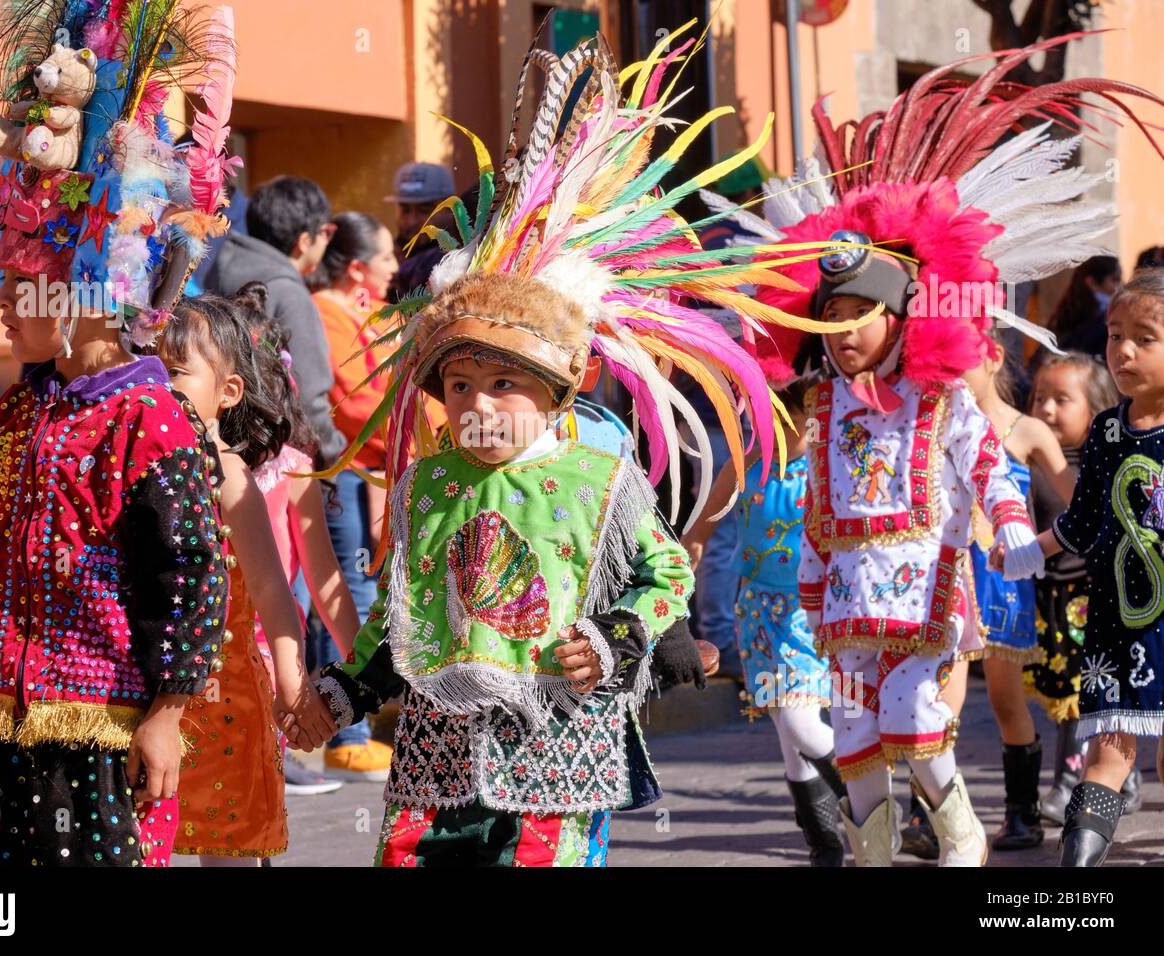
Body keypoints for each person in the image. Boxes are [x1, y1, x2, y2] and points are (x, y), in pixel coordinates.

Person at [300, 27, 822, 865]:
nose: (475, 403)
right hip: (439, 753)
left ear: (556, 393)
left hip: (559, 746)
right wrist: (344, 688)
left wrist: (616, 640)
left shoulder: (599, 474)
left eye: (501, 383)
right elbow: (404, 615)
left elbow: (665, 574)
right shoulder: (427, 484)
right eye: (459, 384)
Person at [733, 35, 1160, 864]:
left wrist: (1007, 531)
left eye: (860, 311)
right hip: (847, 607)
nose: (844, 332)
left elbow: (995, 470)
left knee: (915, 727)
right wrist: (815, 587)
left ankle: (963, 843)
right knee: (854, 743)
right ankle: (876, 857)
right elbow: (824, 506)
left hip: (926, 597)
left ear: (900, 316)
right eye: (831, 315)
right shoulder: (822, 404)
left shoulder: (941, 405)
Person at [0, 1, 248, 867]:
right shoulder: (17, 409)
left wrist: (166, 715)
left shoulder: (151, 416)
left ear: (89, 286)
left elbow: (191, 572)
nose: (4, 300)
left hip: (104, 736)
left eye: (19, 282)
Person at [155, 288, 340, 864]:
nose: (157, 387)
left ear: (228, 392)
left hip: (226, 690)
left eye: (175, 373)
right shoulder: (135, 463)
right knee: (138, 836)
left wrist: (291, 678)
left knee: (227, 844)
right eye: (147, 371)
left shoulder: (229, 476)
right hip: (146, 689)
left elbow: (269, 586)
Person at [993, 271, 1164, 866]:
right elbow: (1083, 520)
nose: (1124, 351)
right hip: (1117, 624)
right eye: (1116, 336)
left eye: (1145, 337)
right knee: (1106, 756)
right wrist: (1027, 550)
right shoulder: (1108, 431)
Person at [685, 376, 843, 866]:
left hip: (809, 610)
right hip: (755, 610)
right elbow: (699, 531)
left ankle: (867, 800)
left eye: (794, 420)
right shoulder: (745, 464)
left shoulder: (828, 470)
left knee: (800, 719)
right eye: (766, 418)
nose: (781, 430)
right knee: (785, 727)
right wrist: (677, 572)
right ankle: (826, 841)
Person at [960, 331, 1074, 851]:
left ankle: (1021, 814)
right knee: (941, 702)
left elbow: (1079, 496)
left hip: (1004, 583)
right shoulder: (937, 426)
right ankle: (928, 814)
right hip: (949, 579)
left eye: (961, 361)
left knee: (1007, 700)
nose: (950, 374)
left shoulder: (1027, 430)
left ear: (993, 358)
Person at [299, 210, 402, 778]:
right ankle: (348, 730)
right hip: (343, 472)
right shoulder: (323, 314)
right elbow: (361, 402)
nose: (395, 267)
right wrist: (405, 430)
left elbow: (405, 384)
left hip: (375, 473)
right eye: (386, 257)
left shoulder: (377, 315)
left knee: (362, 592)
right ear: (359, 267)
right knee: (349, 595)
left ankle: (345, 722)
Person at [1025, 351, 1121, 823]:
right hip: (1052, 597)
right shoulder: (1032, 458)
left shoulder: (1101, 458)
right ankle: (1118, 776)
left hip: (1093, 594)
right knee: (1062, 688)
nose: (1045, 409)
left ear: (1097, 407)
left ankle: (1071, 781)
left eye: (1062, 399)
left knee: (1083, 690)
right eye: (1040, 396)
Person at [202, 175, 347, 470]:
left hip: (221, 447)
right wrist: (333, 453)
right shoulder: (289, 293)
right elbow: (308, 395)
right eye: (326, 232)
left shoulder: (217, 268)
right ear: (304, 240)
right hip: (278, 460)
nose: (327, 241)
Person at [385, 161, 456, 300]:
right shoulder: (382, 259)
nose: (412, 220)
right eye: (405, 210)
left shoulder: (460, 262)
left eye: (424, 210)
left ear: (449, 209)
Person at [1049, 256, 1122, 357]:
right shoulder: (1100, 320)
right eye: (1115, 280)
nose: (1120, 286)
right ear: (1092, 283)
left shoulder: (1067, 313)